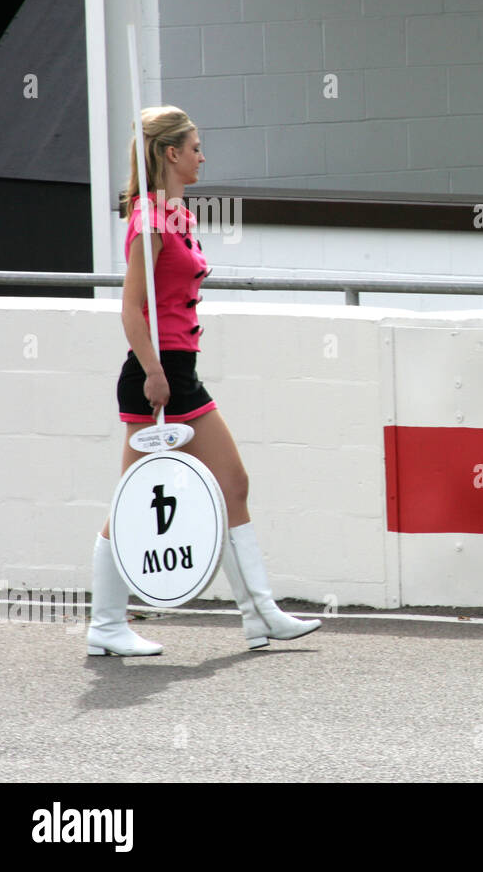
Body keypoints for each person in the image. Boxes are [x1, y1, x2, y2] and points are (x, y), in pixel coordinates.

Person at [87, 105, 320, 656]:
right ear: (170, 153)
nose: (202, 156)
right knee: (136, 498)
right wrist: (154, 373)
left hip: (179, 370)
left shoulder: (177, 214)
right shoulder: (148, 218)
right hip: (158, 375)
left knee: (231, 483)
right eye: (194, 147)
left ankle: (259, 614)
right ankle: (106, 624)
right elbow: (131, 310)